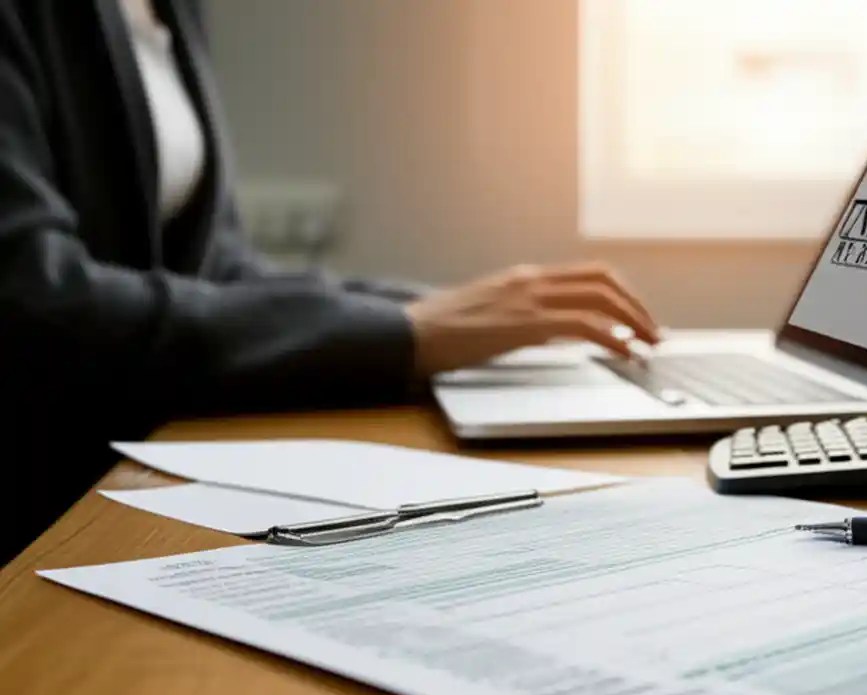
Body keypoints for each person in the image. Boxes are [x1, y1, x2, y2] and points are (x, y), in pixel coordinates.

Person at [0, 0, 660, 563]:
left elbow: (217, 272)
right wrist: (400, 334)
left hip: (123, 494)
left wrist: (425, 309)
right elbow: (36, 305)